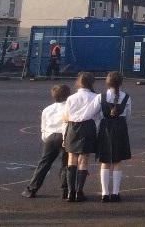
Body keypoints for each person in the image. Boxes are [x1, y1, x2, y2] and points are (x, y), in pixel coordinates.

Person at [22, 84, 71, 199]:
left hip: (51, 137)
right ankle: (65, 190)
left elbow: (43, 128)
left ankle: (32, 189)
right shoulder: (69, 108)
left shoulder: (47, 109)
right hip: (66, 135)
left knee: (44, 163)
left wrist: (46, 138)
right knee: (66, 163)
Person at [62, 70, 101, 202]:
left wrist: (64, 136)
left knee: (71, 159)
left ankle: (70, 192)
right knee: (83, 160)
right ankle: (79, 191)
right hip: (88, 127)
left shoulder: (71, 98)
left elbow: (66, 118)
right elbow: (98, 117)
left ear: (78, 82)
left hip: (73, 127)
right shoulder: (96, 97)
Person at [97, 71, 132, 202]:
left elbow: (96, 113)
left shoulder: (101, 96)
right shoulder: (126, 97)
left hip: (105, 127)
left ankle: (105, 194)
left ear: (107, 82)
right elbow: (128, 115)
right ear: (121, 83)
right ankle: (116, 193)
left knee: (105, 162)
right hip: (120, 127)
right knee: (117, 161)